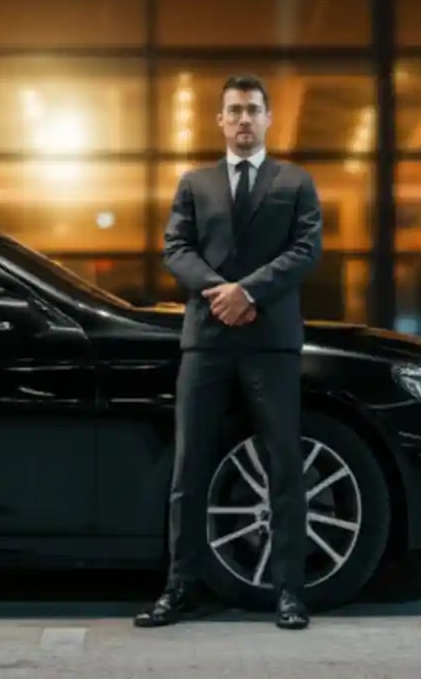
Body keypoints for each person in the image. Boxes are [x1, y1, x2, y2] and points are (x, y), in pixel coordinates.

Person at [133, 74, 323, 630]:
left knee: (284, 465)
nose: (244, 119)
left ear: (268, 120)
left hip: (271, 341)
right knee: (189, 468)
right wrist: (222, 292)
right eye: (235, 111)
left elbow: (306, 249)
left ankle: (290, 591)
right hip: (208, 340)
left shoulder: (296, 181)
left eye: (253, 110)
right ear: (220, 121)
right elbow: (176, 247)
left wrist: (249, 292)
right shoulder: (195, 182)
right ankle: (180, 588)